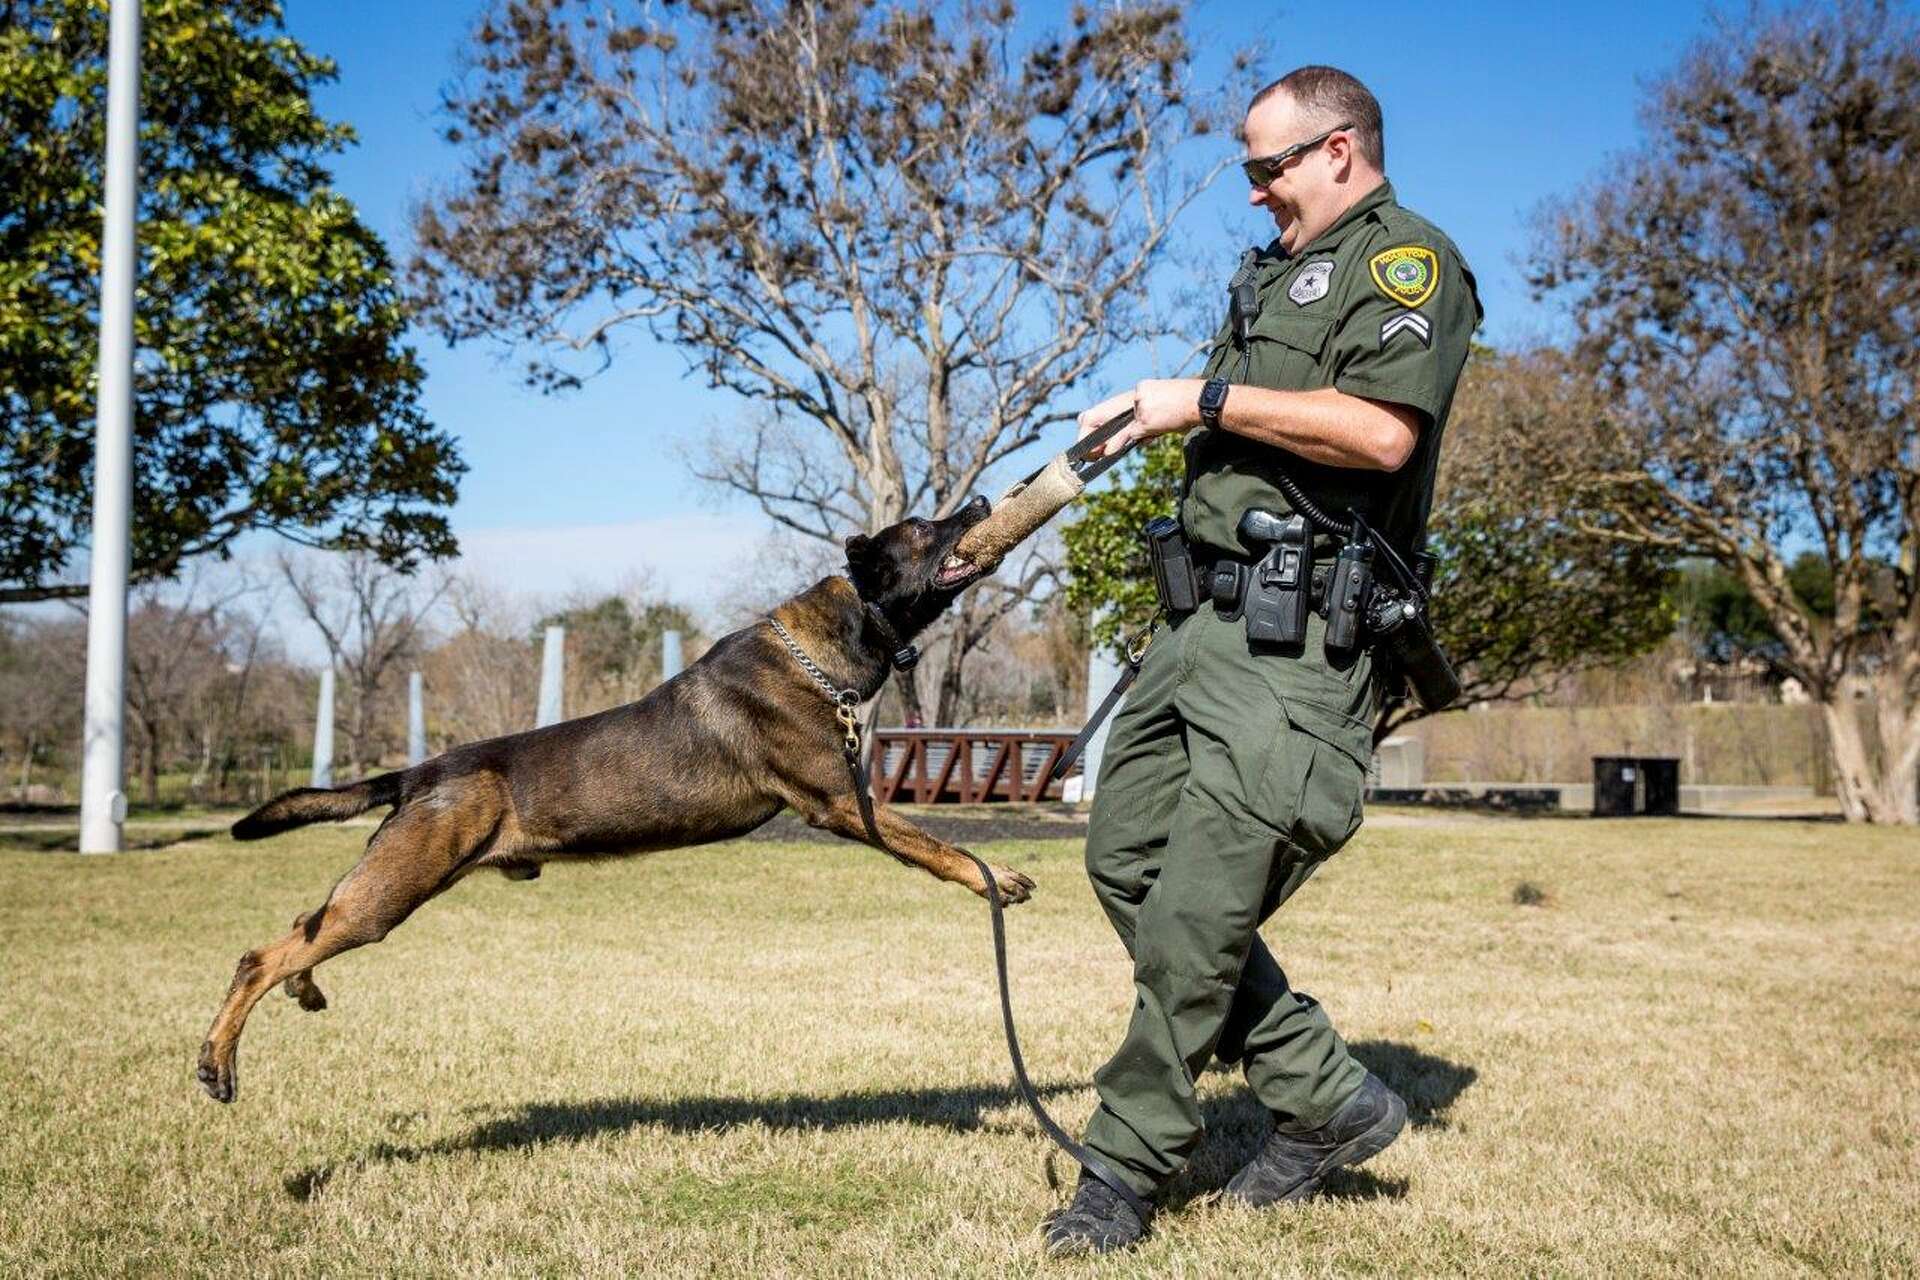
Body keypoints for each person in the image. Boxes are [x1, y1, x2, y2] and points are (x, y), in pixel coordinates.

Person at [1042, 66, 1482, 1255]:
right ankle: (1330, 1095)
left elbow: (1383, 429)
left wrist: (1207, 397)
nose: (1252, 193)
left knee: (1196, 913)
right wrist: (1153, 415)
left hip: (1299, 648)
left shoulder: (1410, 264)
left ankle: (1124, 1168)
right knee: (1126, 856)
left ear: (1339, 149)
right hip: (1198, 627)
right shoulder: (1274, 272)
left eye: (1266, 167)